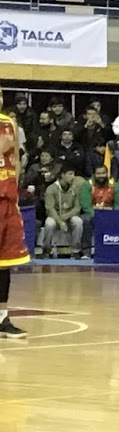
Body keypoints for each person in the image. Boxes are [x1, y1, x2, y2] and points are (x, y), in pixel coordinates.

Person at [0, 86, 29, 338]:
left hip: (6, 198)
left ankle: (2, 318)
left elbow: (16, 160)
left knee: (5, 262)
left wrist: (15, 193)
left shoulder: (8, 123)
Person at [43, 166, 84, 258]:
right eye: (70, 174)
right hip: (55, 216)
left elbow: (77, 208)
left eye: (73, 174)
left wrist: (64, 217)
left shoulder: (76, 189)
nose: (72, 177)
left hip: (69, 216)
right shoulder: (51, 189)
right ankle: (46, 250)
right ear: (62, 175)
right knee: (49, 223)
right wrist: (59, 221)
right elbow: (50, 208)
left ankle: (76, 250)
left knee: (78, 221)